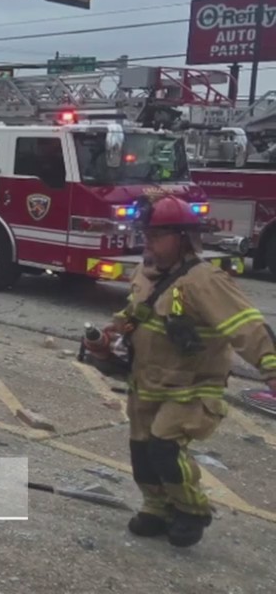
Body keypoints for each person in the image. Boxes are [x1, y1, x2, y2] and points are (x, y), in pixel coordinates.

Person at [83, 194, 276, 548]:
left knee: (164, 448)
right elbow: (134, 313)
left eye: (157, 235)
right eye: (146, 234)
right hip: (146, 383)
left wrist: (271, 368)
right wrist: (110, 335)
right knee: (141, 452)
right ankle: (157, 507)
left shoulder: (205, 281)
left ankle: (191, 510)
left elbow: (247, 326)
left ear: (183, 238)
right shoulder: (147, 272)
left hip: (190, 388)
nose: (148, 242)